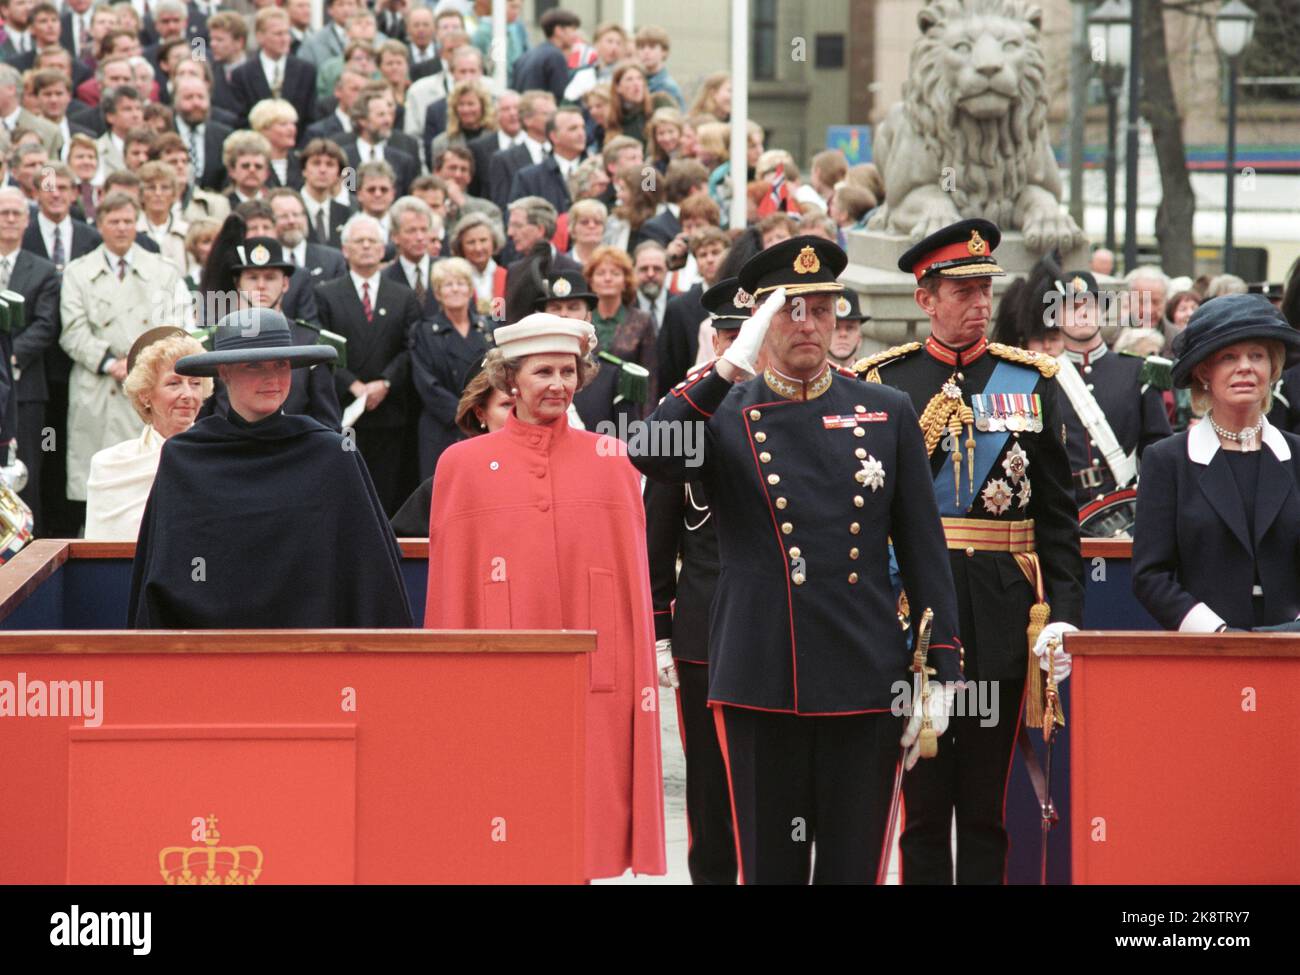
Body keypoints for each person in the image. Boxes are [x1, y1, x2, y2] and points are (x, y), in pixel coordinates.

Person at [633, 236, 964, 884]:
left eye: (823, 306)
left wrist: (944, 669)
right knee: (770, 867)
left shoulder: (884, 410)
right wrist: (729, 365)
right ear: (760, 320)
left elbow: (925, 550)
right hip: (761, 674)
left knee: (852, 865)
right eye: (791, 308)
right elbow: (649, 449)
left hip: (863, 675)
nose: (810, 323)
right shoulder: (725, 410)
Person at [857, 218, 1083, 885]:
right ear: (925, 298)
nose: (979, 302)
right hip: (913, 622)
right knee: (922, 809)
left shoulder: (1033, 382)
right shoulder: (883, 383)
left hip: (1002, 620)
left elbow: (1058, 520)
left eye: (985, 288)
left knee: (987, 809)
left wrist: (1064, 613)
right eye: (962, 290)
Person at [423, 311, 666, 881]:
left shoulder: (612, 460)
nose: (557, 384)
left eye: (567, 371)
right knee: (506, 811)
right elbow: (450, 593)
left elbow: (630, 578)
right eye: (542, 372)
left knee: (585, 815)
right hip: (499, 674)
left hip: (595, 674)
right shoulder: (460, 466)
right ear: (511, 380)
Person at [128, 307, 411, 628]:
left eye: (281, 365)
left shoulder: (330, 454)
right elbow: (162, 577)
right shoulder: (186, 458)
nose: (272, 378)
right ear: (225, 372)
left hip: (314, 652)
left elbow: (370, 574)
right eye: (254, 366)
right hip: (212, 655)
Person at [641, 275, 756, 885]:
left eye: (750, 333)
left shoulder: (803, 403)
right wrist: (660, 627)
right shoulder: (686, 409)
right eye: (730, 335)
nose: (741, 346)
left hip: (781, 627)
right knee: (711, 792)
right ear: (715, 339)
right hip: (705, 627)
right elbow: (659, 531)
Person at [1134, 294, 1300, 631]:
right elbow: (1150, 576)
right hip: (1205, 654)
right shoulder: (1168, 460)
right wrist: (1216, 633)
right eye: (1229, 356)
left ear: (1272, 368)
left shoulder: (1297, 456)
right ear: (1204, 371)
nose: (1245, 367)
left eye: (1257, 355)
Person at [59, 190, 187, 513]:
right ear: (99, 225)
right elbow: (72, 329)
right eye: (114, 221)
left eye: (128, 221)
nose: (121, 228)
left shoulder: (164, 270)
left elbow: (177, 325)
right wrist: (109, 362)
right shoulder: (77, 271)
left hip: (148, 385)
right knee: (99, 484)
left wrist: (140, 365)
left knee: (150, 482)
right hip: (97, 388)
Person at [1039, 268, 1171, 512]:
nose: (1082, 314)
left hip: (1126, 508)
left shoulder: (1138, 371)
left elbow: (1159, 451)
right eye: (1071, 307)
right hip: (1065, 510)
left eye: (1089, 306)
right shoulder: (1043, 379)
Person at [197, 217, 343, 431]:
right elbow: (202, 418)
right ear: (238, 283)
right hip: (227, 454)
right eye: (253, 277)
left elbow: (327, 424)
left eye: (270, 277)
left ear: (285, 283)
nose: (261, 286)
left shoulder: (309, 340)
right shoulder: (215, 340)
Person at [84, 327, 210, 539]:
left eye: (195, 383)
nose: (188, 394)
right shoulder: (110, 466)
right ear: (145, 395)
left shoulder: (217, 455)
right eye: (174, 383)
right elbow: (100, 554)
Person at [390, 360, 511, 537]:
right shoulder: (452, 479)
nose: (519, 413)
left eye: (525, 403)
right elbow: (403, 547)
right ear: (480, 413)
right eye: (507, 405)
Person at [408, 256, 490, 481]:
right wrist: (463, 413)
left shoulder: (487, 329)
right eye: (447, 284)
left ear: (470, 289)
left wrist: (479, 414)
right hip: (441, 427)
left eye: (461, 283)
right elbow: (426, 384)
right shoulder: (423, 332)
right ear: (437, 293)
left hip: (482, 423)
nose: (455, 289)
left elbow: (496, 377)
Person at [584, 244, 657, 401]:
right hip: (588, 404)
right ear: (591, 281)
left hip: (629, 405)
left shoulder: (642, 321)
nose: (608, 278)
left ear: (626, 281)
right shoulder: (582, 320)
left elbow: (650, 377)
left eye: (615, 273)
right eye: (601, 273)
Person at [827, 290, 869, 368]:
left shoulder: (871, 378)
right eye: (835, 327)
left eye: (850, 328)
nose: (843, 334)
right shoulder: (808, 377)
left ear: (860, 338)